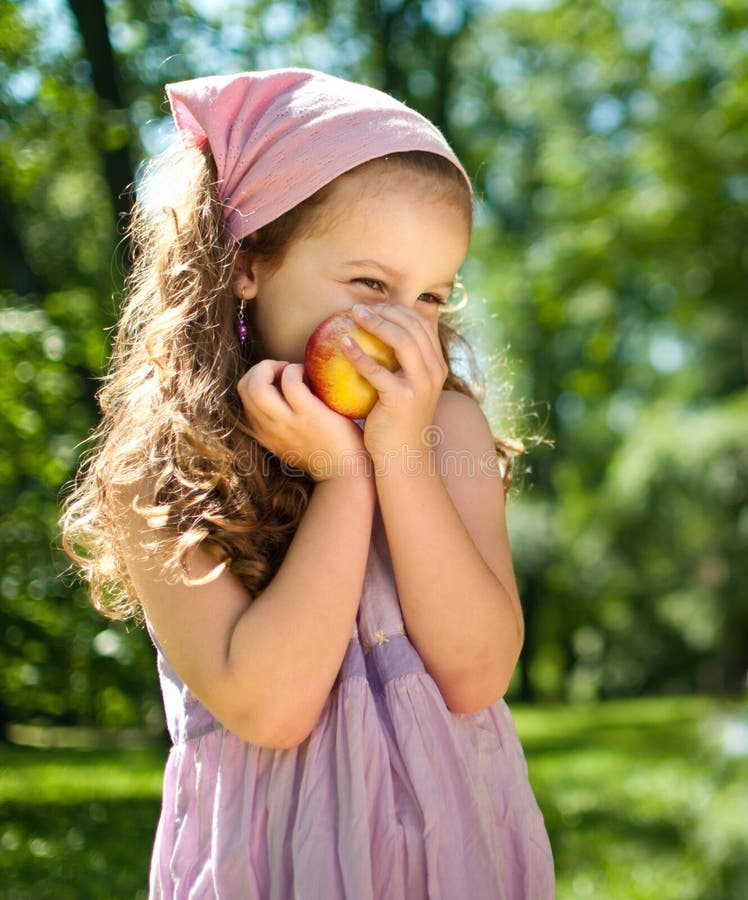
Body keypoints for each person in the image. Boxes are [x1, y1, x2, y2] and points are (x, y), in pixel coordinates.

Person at [61, 68, 554, 899]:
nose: (402, 326)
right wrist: (344, 480)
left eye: (430, 297)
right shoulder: (166, 468)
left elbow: (476, 675)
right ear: (247, 263)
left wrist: (398, 458)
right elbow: (271, 708)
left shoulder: (446, 435)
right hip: (274, 864)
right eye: (370, 285)